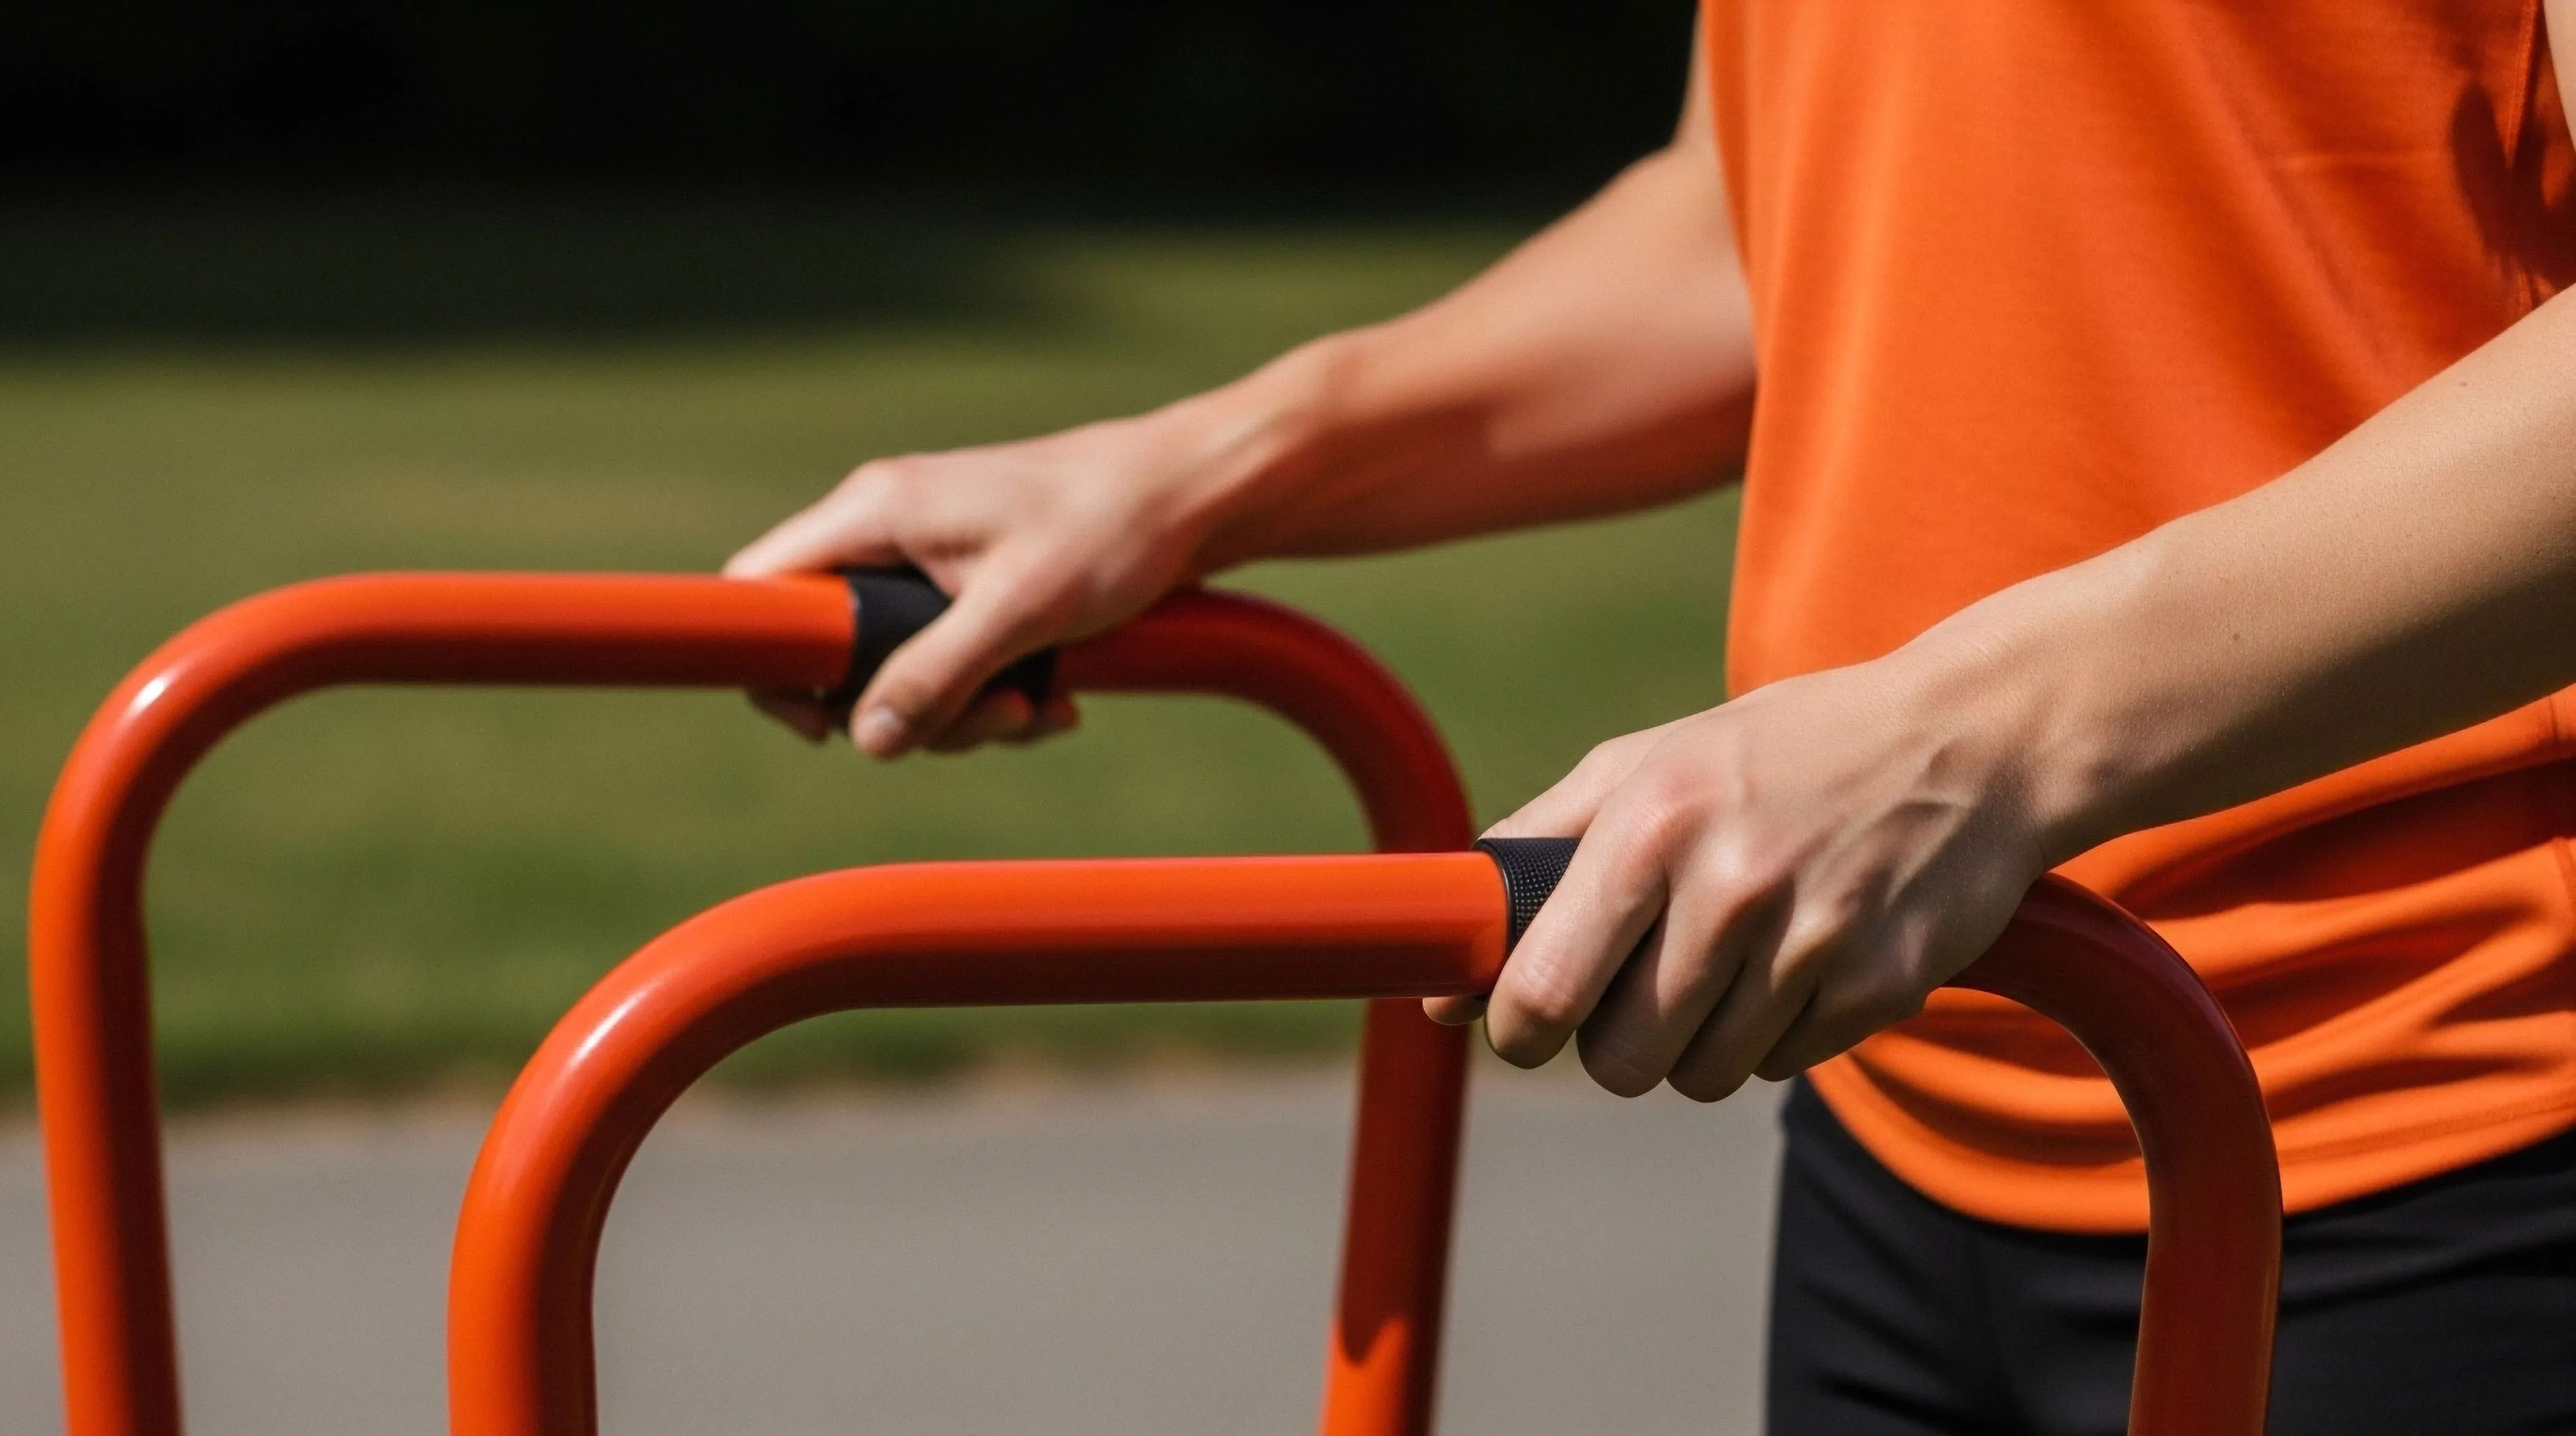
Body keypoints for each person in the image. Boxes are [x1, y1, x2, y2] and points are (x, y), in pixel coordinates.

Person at [731, 4, 2576, 1431]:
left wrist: (1981, 739)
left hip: (2450, 1112)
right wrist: (1196, 470)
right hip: (1919, 1097)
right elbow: (1757, 217)